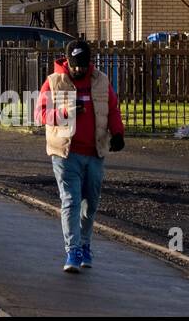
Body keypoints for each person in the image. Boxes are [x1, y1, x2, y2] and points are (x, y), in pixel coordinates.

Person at [33, 38, 125, 273]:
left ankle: (85, 245)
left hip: (94, 152)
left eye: (83, 65)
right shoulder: (54, 82)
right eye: (75, 66)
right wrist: (65, 111)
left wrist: (117, 133)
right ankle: (72, 249)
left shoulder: (101, 81)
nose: (79, 70)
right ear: (68, 62)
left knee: (90, 202)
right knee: (71, 200)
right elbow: (40, 114)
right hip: (66, 153)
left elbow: (112, 108)